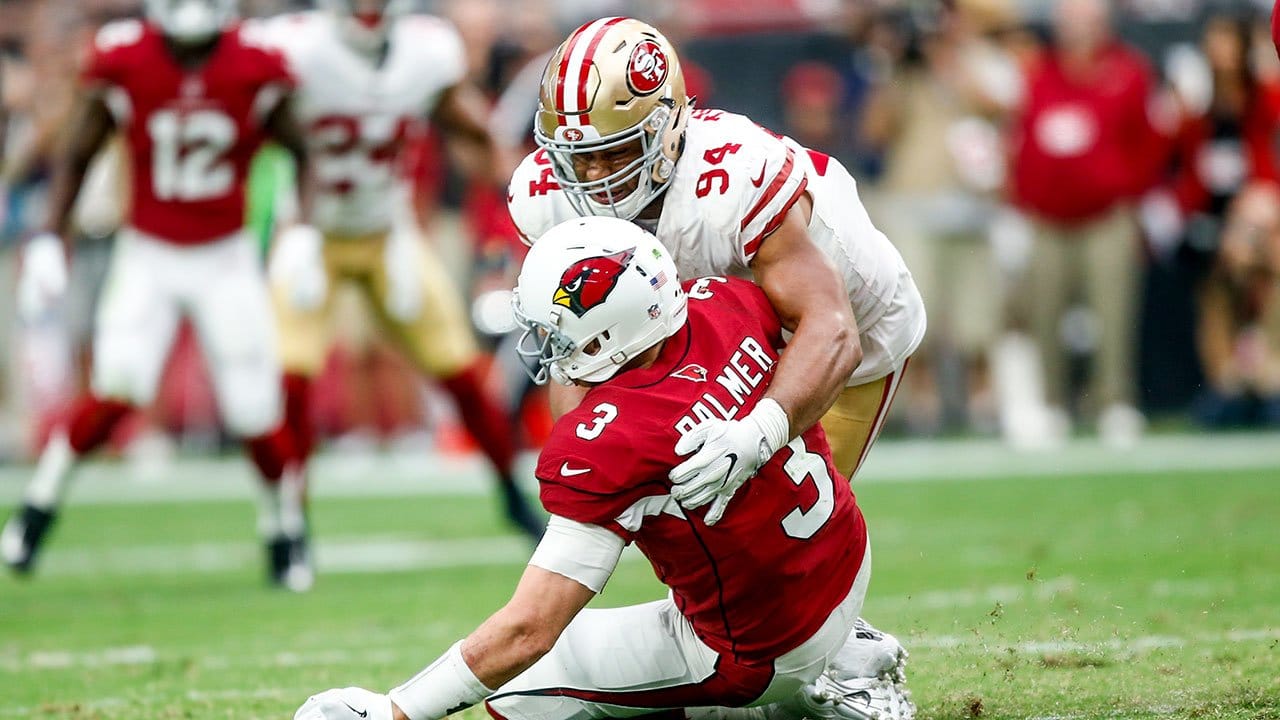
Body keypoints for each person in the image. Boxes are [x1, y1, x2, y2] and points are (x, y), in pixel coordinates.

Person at [293, 216, 912, 720]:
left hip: (760, 648)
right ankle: (850, 657)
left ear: (605, 332)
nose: (550, 352)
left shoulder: (614, 440)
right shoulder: (727, 303)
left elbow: (530, 629)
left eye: (558, 335)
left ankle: (815, 698)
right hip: (841, 568)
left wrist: (396, 710)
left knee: (520, 696)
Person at [505, 16, 921, 706]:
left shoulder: (728, 178)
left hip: (841, 334)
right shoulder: (547, 196)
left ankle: (854, 670)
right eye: (584, 159)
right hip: (713, 337)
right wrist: (593, 487)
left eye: (619, 153)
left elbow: (829, 327)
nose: (599, 180)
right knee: (696, 533)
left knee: (778, 537)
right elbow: (579, 351)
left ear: (669, 126)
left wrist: (758, 432)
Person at [2, 0, 314, 590]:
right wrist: (49, 235)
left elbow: (300, 149)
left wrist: (302, 229)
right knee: (119, 385)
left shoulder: (256, 61)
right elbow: (79, 148)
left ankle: (285, 531)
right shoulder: (124, 56)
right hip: (149, 252)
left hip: (226, 254)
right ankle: (36, 511)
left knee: (254, 407)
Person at [253, 0, 544, 541]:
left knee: (457, 368)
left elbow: (473, 130)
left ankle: (510, 493)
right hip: (311, 232)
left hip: (387, 231)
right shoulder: (294, 47)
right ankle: (287, 521)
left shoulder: (425, 51)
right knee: (290, 376)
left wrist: (518, 194)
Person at [1006, 0, 1165, 446]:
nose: (1075, 31)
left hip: (1106, 217)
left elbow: (1149, 141)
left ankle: (1114, 403)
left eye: (1083, 22)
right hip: (1046, 218)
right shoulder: (1038, 73)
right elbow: (1019, 139)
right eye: (1068, 22)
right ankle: (1051, 405)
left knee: (1114, 313)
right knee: (1044, 313)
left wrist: (1125, 190)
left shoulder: (1129, 72)